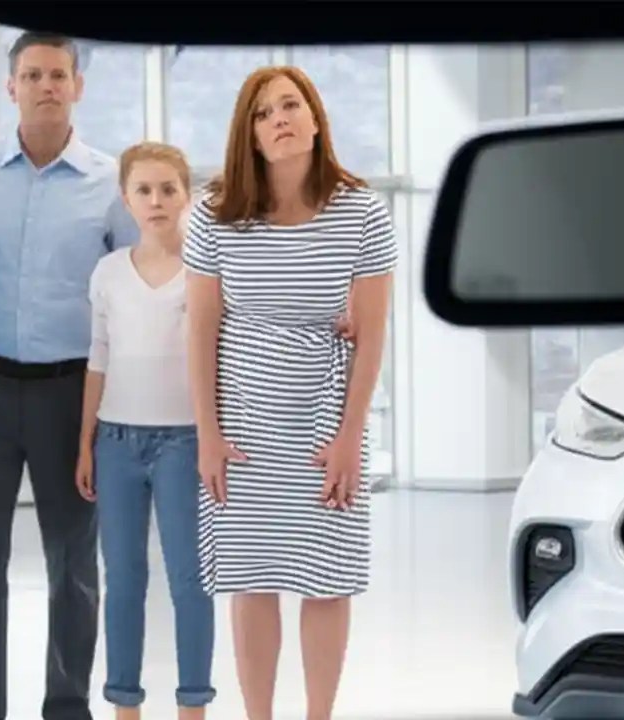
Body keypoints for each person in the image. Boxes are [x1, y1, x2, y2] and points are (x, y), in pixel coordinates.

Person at [0, 31, 140, 720]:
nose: (46, 85)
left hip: (73, 397)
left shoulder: (113, 183)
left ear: (78, 86)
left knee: (73, 565)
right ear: (11, 86)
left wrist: (116, 402)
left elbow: (133, 291)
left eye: (58, 74)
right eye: (32, 74)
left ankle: (66, 705)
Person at [183, 65, 398, 720]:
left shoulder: (363, 211)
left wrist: (348, 438)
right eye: (262, 112)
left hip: (324, 427)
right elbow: (201, 333)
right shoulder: (215, 214)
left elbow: (370, 337)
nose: (279, 119)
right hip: (242, 430)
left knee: (327, 580)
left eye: (290, 106)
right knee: (251, 581)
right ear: (247, 133)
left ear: (314, 118)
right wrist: (209, 436)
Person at [73, 141, 216, 719]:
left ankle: (193, 705)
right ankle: (124, 704)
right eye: (144, 190)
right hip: (117, 444)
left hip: (185, 443)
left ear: (187, 195)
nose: (156, 201)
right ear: (125, 198)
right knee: (124, 578)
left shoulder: (206, 271)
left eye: (168, 189)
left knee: (190, 578)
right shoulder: (108, 272)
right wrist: (86, 441)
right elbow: (97, 358)